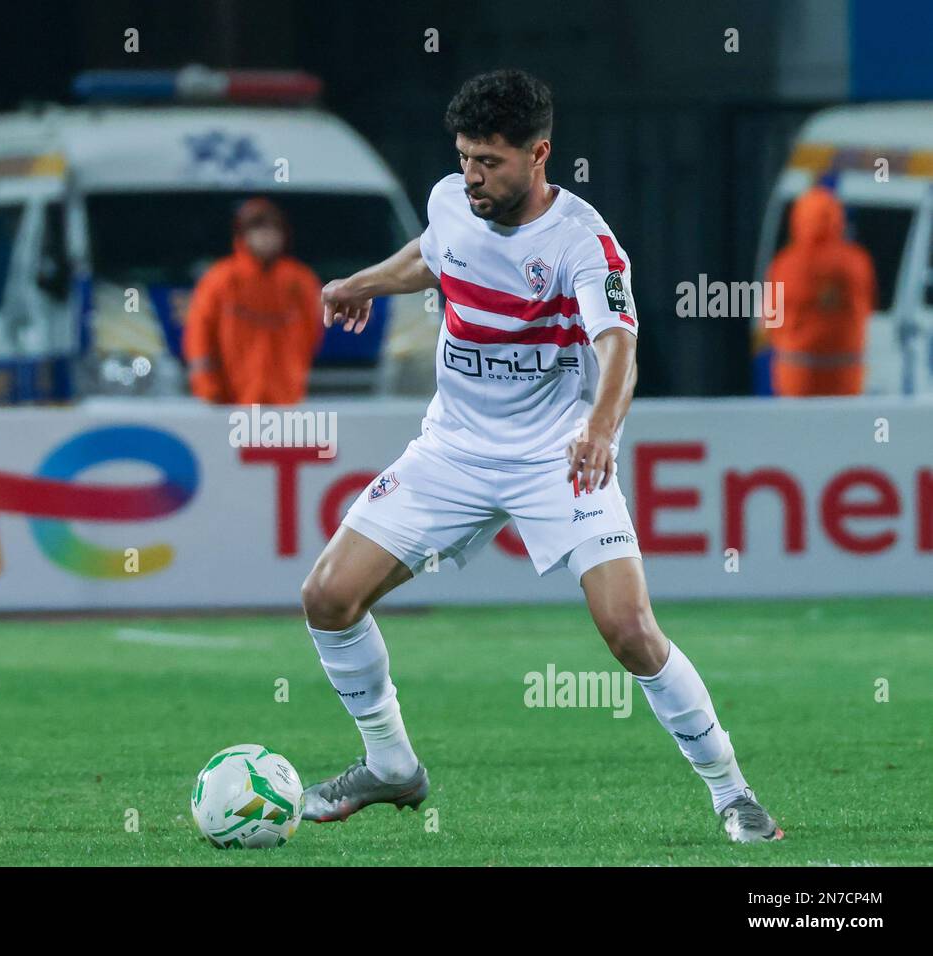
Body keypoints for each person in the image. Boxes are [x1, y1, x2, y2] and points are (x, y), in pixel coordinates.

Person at [299, 69, 783, 844]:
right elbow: (435, 254)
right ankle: (391, 765)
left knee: (628, 630)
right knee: (327, 596)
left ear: (539, 153)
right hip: (453, 448)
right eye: (464, 157)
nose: (472, 176)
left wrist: (599, 428)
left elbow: (618, 345)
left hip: (555, 456)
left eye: (490, 161)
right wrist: (364, 282)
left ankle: (732, 791)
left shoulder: (585, 246)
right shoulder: (452, 200)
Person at [182, 197, 323, 404]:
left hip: (285, 397)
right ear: (243, 235)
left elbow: (313, 331)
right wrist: (207, 386)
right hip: (229, 398)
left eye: (274, 230)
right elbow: (199, 333)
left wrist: (295, 373)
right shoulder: (220, 279)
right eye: (258, 229)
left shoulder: (299, 280)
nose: (267, 237)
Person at [762, 186, 875, 396]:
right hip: (845, 376)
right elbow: (865, 309)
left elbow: (770, 320)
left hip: (796, 374)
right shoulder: (856, 262)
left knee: (798, 428)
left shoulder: (784, 264)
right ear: (838, 219)